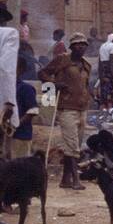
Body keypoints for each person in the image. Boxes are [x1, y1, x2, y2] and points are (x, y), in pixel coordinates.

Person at [38, 32, 92, 189]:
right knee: (72, 143)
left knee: (75, 144)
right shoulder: (62, 60)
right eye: (77, 44)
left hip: (82, 108)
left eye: (83, 44)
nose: (81, 46)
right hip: (66, 107)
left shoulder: (87, 65)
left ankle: (65, 180)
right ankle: (76, 180)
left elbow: (85, 85)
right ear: (72, 46)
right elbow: (42, 73)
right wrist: (54, 83)